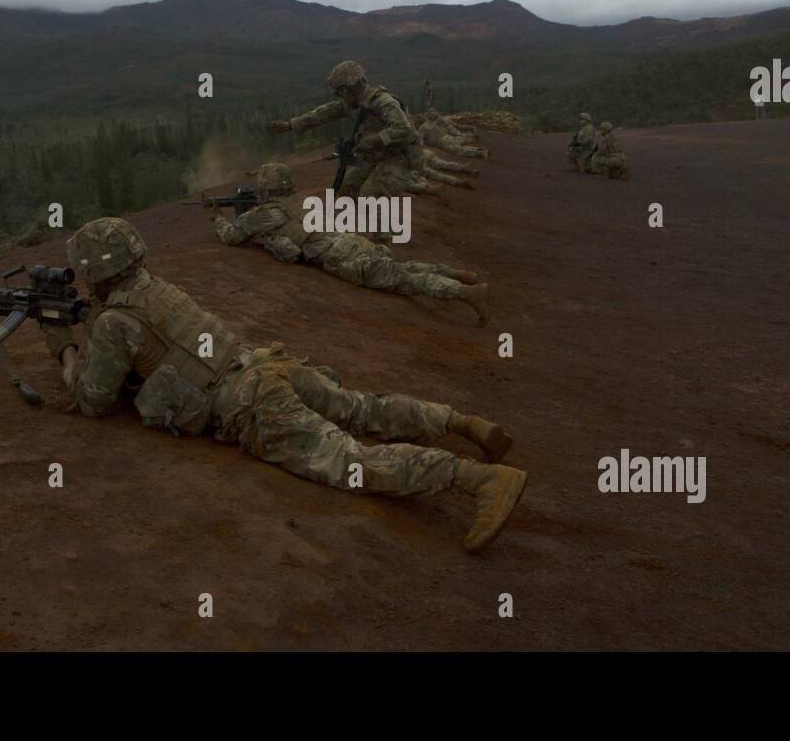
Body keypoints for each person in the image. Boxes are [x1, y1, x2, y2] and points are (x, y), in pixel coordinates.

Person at [45, 217, 527, 552]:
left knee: (350, 460)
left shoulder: (112, 324)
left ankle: (477, 479)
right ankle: (461, 421)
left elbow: (92, 400)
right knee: (363, 408)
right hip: (265, 365)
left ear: (93, 270)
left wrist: (63, 343)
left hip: (249, 404)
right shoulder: (154, 286)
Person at [209, 163, 489, 325]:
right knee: (398, 266)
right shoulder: (300, 201)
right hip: (352, 242)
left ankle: (464, 293)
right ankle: (457, 274)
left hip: (343, 257)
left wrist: (216, 217)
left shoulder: (264, 214)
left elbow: (233, 236)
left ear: (266, 188)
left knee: (403, 281)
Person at [266, 61, 422, 199]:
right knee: (346, 188)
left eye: (339, 92)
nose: (339, 96)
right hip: (377, 157)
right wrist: (290, 125)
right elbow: (323, 113)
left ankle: (383, 232)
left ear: (348, 89)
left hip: (400, 158)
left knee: (369, 196)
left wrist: (375, 139)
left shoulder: (383, 102)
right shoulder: (354, 103)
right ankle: (355, 228)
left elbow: (404, 129)